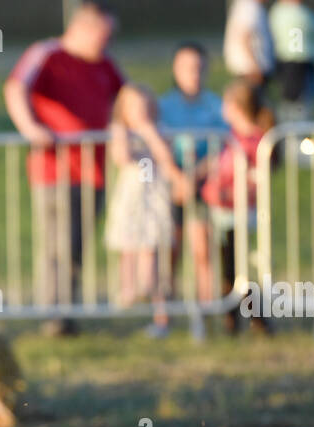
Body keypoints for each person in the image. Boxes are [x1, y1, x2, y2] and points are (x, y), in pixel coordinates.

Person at [4, 1, 124, 328]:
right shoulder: (48, 54)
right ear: (83, 28)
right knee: (57, 245)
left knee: (75, 245)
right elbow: (16, 87)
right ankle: (55, 316)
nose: (108, 42)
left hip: (93, 170)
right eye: (105, 34)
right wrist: (31, 128)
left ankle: (66, 309)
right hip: (55, 170)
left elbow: (124, 100)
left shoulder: (104, 64)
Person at [103, 85, 185, 337]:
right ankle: (129, 294)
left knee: (154, 253)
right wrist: (122, 132)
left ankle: (159, 313)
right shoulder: (119, 132)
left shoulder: (160, 131)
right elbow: (123, 157)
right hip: (131, 198)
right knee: (128, 246)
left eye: (144, 107)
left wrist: (149, 132)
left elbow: (166, 158)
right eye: (134, 108)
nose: (140, 113)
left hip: (155, 198)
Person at [159, 41, 229, 338]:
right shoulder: (163, 106)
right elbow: (158, 146)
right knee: (168, 250)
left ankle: (204, 313)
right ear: (176, 70)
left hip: (204, 185)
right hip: (170, 185)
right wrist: (177, 178)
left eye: (199, 67)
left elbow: (223, 146)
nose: (194, 74)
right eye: (187, 68)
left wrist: (196, 177)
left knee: (202, 250)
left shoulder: (216, 106)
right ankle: (163, 315)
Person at [199, 80, 275, 335]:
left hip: (241, 213)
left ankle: (254, 317)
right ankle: (233, 318)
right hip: (223, 212)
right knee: (229, 267)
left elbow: (255, 177)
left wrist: (233, 190)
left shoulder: (254, 140)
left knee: (241, 268)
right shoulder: (230, 137)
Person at [269, 0, 314, 122]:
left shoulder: (301, 11)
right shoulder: (284, 11)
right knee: (294, 106)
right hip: (292, 64)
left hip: (303, 64)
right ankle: (294, 136)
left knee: (303, 105)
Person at [223, 0, 274, 92]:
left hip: (250, 70)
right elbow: (244, 37)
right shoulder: (250, 7)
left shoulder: (250, 6)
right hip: (251, 72)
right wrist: (255, 67)